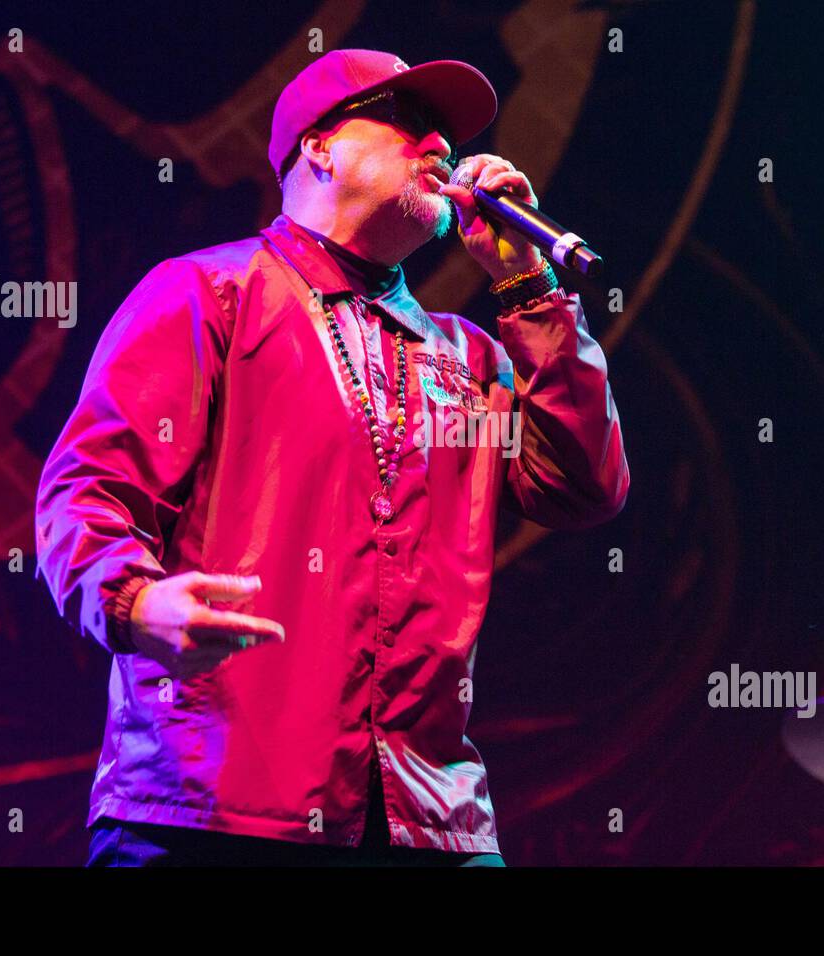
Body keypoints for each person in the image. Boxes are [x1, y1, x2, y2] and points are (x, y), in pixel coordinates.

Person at [35, 48, 630, 866]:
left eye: (448, 136)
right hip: (214, 807)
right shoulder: (207, 295)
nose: (440, 147)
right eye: (409, 123)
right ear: (318, 146)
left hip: (428, 814)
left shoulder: (472, 354)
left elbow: (584, 488)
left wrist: (527, 287)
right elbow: (86, 493)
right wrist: (136, 604)